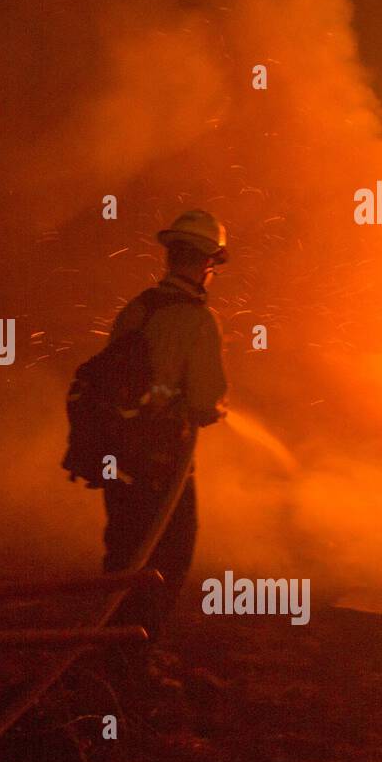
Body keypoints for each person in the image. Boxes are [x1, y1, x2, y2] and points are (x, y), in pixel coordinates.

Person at [102, 209, 229, 640]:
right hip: (165, 465)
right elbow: (204, 402)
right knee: (170, 557)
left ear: (171, 256)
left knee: (124, 553)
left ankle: (107, 641)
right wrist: (211, 410)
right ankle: (134, 649)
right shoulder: (198, 320)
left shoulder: (136, 309)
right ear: (206, 263)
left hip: (118, 458)